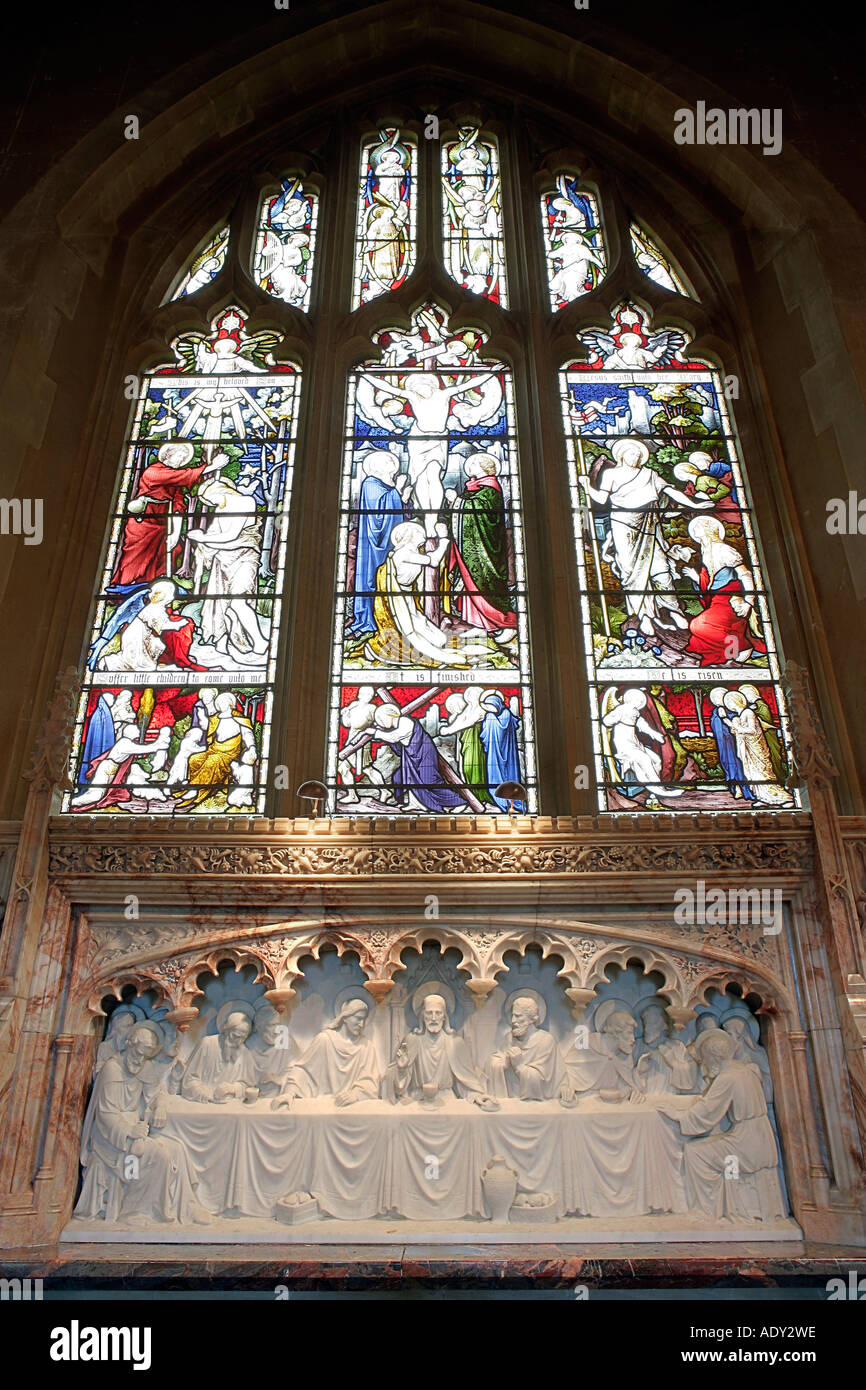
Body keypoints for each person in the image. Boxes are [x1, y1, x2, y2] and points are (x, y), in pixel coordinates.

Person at [74, 1023, 211, 1225]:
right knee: (159, 1155)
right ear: (129, 1044)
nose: (138, 1060)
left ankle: (187, 1206)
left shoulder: (145, 1067)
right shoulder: (112, 1070)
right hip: (110, 1139)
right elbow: (106, 1115)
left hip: (137, 1129)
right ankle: (133, 1211)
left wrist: (160, 1106)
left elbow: (157, 1093)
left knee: (178, 1149)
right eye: (137, 1053)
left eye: (145, 1056)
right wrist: (129, 1130)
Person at [577, 439, 713, 637]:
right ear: (622, 455)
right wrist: (586, 486)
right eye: (632, 454)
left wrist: (694, 505)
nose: (636, 458)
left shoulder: (649, 474)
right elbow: (600, 499)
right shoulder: (612, 474)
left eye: (638, 455)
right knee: (630, 572)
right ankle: (644, 614)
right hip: (623, 525)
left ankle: (673, 610)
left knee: (661, 569)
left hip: (648, 524)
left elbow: (670, 491)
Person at [656, 1029, 785, 1221]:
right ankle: (731, 1201)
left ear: (714, 1056)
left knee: (696, 1152)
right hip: (760, 1138)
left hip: (746, 1144)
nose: (704, 1064)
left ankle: (707, 1209)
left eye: (705, 1059)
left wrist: (678, 1116)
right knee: (721, 1151)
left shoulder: (727, 1078)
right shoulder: (745, 1071)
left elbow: (707, 1112)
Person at [111, 442, 223, 587]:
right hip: (144, 523)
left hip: (163, 525)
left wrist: (175, 534)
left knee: (171, 552)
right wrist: (213, 466)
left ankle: (147, 586)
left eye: (184, 458)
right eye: (179, 456)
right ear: (168, 455)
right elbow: (183, 476)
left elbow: (178, 507)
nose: (181, 461)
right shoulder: (153, 471)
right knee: (135, 559)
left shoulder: (174, 482)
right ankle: (123, 586)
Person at [446, 452, 516, 633]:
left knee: (482, 581)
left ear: (485, 469)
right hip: (473, 547)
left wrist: (456, 500)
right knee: (470, 580)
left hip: (485, 551)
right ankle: (473, 620)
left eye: (474, 466)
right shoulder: (476, 489)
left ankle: (489, 621)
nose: (470, 469)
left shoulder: (491, 490)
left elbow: (479, 511)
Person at [683, 515, 765, 666]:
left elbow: (745, 575)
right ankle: (733, 651)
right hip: (717, 601)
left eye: (698, 526)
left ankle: (742, 646)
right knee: (697, 637)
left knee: (698, 626)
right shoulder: (705, 551)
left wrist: (748, 602)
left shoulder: (724, 550)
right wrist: (696, 578)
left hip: (730, 600)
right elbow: (710, 584)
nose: (694, 530)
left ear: (708, 530)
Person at [384, 994, 495, 1104]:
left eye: (438, 1013)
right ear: (422, 1016)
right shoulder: (412, 1040)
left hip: (447, 1100)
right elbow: (398, 1088)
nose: (433, 1018)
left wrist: (476, 1095)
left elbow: (467, 1080)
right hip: (417, 1100)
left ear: (444, 1016)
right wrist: (401, 1069)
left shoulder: (455, 1043)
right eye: (429, 1013)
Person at [272, 999, 380, 1108]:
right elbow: (303, 1071)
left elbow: (370, 1082)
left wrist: (355, 1094)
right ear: (345, 1017)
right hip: (324, 1105)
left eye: (364, 1020)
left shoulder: (366, 1047)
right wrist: (289, 1092)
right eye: (358, 1019)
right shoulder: (325, 1040)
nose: (361, 1024)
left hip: (354, 1108)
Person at [347, 451, 406, 638]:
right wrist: (398, 492)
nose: (392, 469)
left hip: (386, 542)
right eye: (389, 465)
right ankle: (367, 619)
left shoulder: (383, 485)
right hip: (373, 546)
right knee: (372, 577)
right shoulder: (371, 484)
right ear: (378, 467)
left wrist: (399, 494)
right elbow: (377, 518)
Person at [372, 703, 467, 813]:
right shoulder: (396, 726)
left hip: (424, 753)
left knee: (429, 780)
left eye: (381, 719)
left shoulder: (405, 721)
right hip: (412, 756)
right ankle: (416, 804)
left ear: (389, 715)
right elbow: (396, 741)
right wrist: (379, 733)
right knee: (404, 777)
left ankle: (459, 802)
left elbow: (394, 737)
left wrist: (376, 732)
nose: (381, 723)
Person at [173, 692, 257, 809]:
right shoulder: (216, 718)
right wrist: (202, 715)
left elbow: (247, 734)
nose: (220, 705)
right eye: (219, 703)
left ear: (230, 703)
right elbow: (206, 726)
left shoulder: (239, 718)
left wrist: (252, 746)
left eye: (223, 702)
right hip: (214, 748)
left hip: (229, 753)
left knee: (212, 761)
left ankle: (197, 790)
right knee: (194, 759)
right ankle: (193, 785)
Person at [487, 996, 565, 1100]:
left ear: (532, 1019)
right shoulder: (509, 1038)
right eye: (512, 1016)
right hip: (511, 1101)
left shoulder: (545, 1041)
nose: (513, 1021)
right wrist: (505, 1064)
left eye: (518, 1016)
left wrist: (519, 1066)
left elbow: (545, 1082)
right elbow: (494, 1061)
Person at [723, 691, 793, 806]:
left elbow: (752, 730)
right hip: (748, 749)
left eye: (730, 702)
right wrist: (731, 724)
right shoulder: (741, 715)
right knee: (752, 773)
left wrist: (737, 727)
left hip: (756, 748)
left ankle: (783, 798)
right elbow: (739, 732)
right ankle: (763, 798)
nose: (730, 705)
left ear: (736, 701)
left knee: (763, 773)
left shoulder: (749, 712)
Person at [181, 1010, 257, 1103]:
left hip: (230, 1107)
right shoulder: (207, 1044)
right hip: (204, 1104)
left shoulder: (245, 1054)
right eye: (236, 1036)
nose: (238, 1042)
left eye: (243, 1038)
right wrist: (209, 1095)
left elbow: (249, 1087)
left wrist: (232, 1088)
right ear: (226, 1030)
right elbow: (189, 1081)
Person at [562, 1008, 639, 1099]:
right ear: (615, 1032)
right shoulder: (587, 1044)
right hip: (584, 1100)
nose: (633, 1039)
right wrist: (566, 1087)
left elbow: (627, 1085)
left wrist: (635, 1093)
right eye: (629, 1033)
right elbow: (568, 1071)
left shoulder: (624, 1055)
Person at [633, 1003, 699, 1095]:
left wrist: (674, 1063)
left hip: (670, 1101)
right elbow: (624, 1077)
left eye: (653, 1023)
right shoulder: (636, 1046)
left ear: (664, 1025)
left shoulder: (677, 1047)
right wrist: (638, 1071)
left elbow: (692, 1079)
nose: (647, 1029)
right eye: (645, 1023)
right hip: (643, 1102)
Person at [709, 687, 754, 801]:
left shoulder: (733, 711)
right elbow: (717, 729)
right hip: (725, 745)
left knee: (740, 765)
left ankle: (746, 790)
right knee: (730, 765)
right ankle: (736, 788)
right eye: (717, 698)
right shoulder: (716, 713)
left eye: (722, 696)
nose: (720, 700)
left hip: (737, 743)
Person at [479, 693, 523, 809]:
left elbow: (486, 736)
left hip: (504, 753)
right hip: (497, 753)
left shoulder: (499, 716)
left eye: (490, 706)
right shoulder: (499, 716)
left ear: (497, 704)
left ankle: (510, 801)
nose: (489, 709)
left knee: (506, 774)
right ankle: (502, 800)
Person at [247, 1004, 298, 1096]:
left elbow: (296, 1070)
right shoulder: (249, 1045)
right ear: (259, 1027)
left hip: (279, 1094)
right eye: (271, 1025)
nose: (276, 1030)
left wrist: (278, 1078)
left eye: (277, 1025)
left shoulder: (285, 1041)